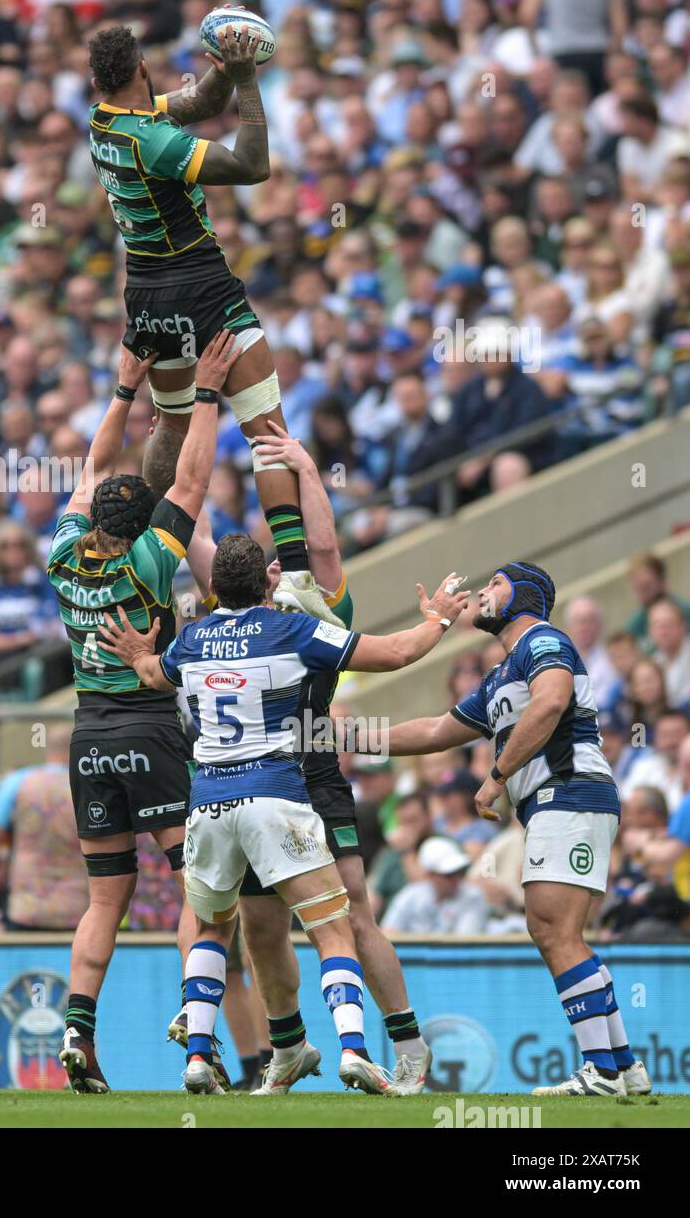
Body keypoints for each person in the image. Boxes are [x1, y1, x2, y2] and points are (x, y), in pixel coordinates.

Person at [99, 535, 468, 1095]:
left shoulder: (192, 638)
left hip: (209, 802)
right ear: (267, 586)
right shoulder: (291, 630)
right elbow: (396, 653)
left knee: (211, 929)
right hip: (274, 793)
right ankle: (354, 1050)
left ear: (214, 589)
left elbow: (154, 675)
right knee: (331, 928)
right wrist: (438, 619)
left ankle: (198, 1057)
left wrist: (135, 653)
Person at [199, 423, 434, 1097]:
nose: (281, 570)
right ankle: (290, 1050)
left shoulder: (310, 611)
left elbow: (322, 547)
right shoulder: (252, 617)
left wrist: (302, 467)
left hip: (298, 772)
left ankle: (406, 1043)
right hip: (273, 776)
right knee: (267, 927)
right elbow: (207, 550)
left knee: (348, 916)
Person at [85, 22, 335, 626]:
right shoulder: (153, 140)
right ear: (143, 66)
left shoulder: (105, 122)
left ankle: (145, 553)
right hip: (200, 285)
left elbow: (198, 103)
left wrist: (225, 67)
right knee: (267, 430)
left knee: (170, 425)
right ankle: (298, 574)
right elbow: (253, 166)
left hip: (146, 295)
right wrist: (249, 83)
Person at [47, 332, 238, 1093]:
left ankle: (76, 1029)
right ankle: (198, 1041)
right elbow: (191, 478)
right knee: (201, 885)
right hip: (151, 727)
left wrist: (124, 389)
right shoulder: (152, 556)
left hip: (87, 735)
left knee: (104, 899)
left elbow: (93, 469)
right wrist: (208, 396)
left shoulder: (63, 556)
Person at [382, 563, 652, 1098]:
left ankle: (599, 1070)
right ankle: (623, 1068)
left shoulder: (542, 639)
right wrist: (348, 736)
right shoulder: (500, 673)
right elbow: (437, 731)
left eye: (495, 584)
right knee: (561, 932)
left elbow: (552, 702)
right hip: (562, 800)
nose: (483, 590)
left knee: (552, 929)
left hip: (569, 791)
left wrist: (496, 775)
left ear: (524, 594)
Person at [379, 837, 493, 934]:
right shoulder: (411, 894)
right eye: (448, 875)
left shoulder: (472, 897)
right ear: (430, 875)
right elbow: (388, 932)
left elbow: (463, 945)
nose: (456, 878)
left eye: (459, 871)